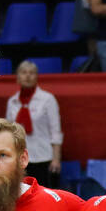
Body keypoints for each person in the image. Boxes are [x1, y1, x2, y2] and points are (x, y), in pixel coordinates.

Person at [5, 61, 63, 189]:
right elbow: (9, 133)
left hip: (44, 157)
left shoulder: (47, 99)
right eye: (24, 72)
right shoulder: (12, 102)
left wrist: (56, 158)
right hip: (21, 158)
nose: (27, 76)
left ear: (36, 76)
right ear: (18, 77)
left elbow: (55, 130)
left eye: (31, 73)